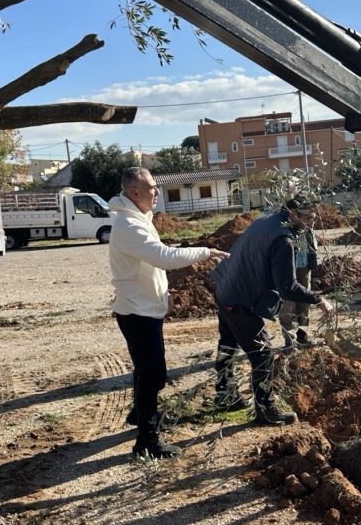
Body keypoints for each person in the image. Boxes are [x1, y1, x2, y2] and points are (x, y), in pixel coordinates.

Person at [108, 167, 228, 458]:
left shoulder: (139, 218)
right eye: (152, 187)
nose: (157, 192)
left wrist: (163, 294)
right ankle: (147, 442)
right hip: (137, 313)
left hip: (143, 308)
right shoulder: (129, 225)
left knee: (146, 370)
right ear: (134, 192)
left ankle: (139, 415)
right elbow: (163, 257)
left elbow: (151, 261)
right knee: (153, 375)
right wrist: (205, 251)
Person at [211, 194, 334, 425]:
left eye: (314, 216)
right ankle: (265, 410)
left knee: (228, 344)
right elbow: (288, 287)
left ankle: (224, 394)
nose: (313, 221)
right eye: (308, 217)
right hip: (239, 300)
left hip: (224, 288)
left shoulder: (266, 221)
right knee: (263, 354)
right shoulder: (283, 239)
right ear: (293, 214)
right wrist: (319, 300)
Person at [279, 223, 318, 347]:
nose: (313, 219)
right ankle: (289, 339)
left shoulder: (306, 223)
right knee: (287, 302)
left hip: (304, 263)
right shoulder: (280, 221)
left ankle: (302, 335)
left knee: (305, 300)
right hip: (286, 265)